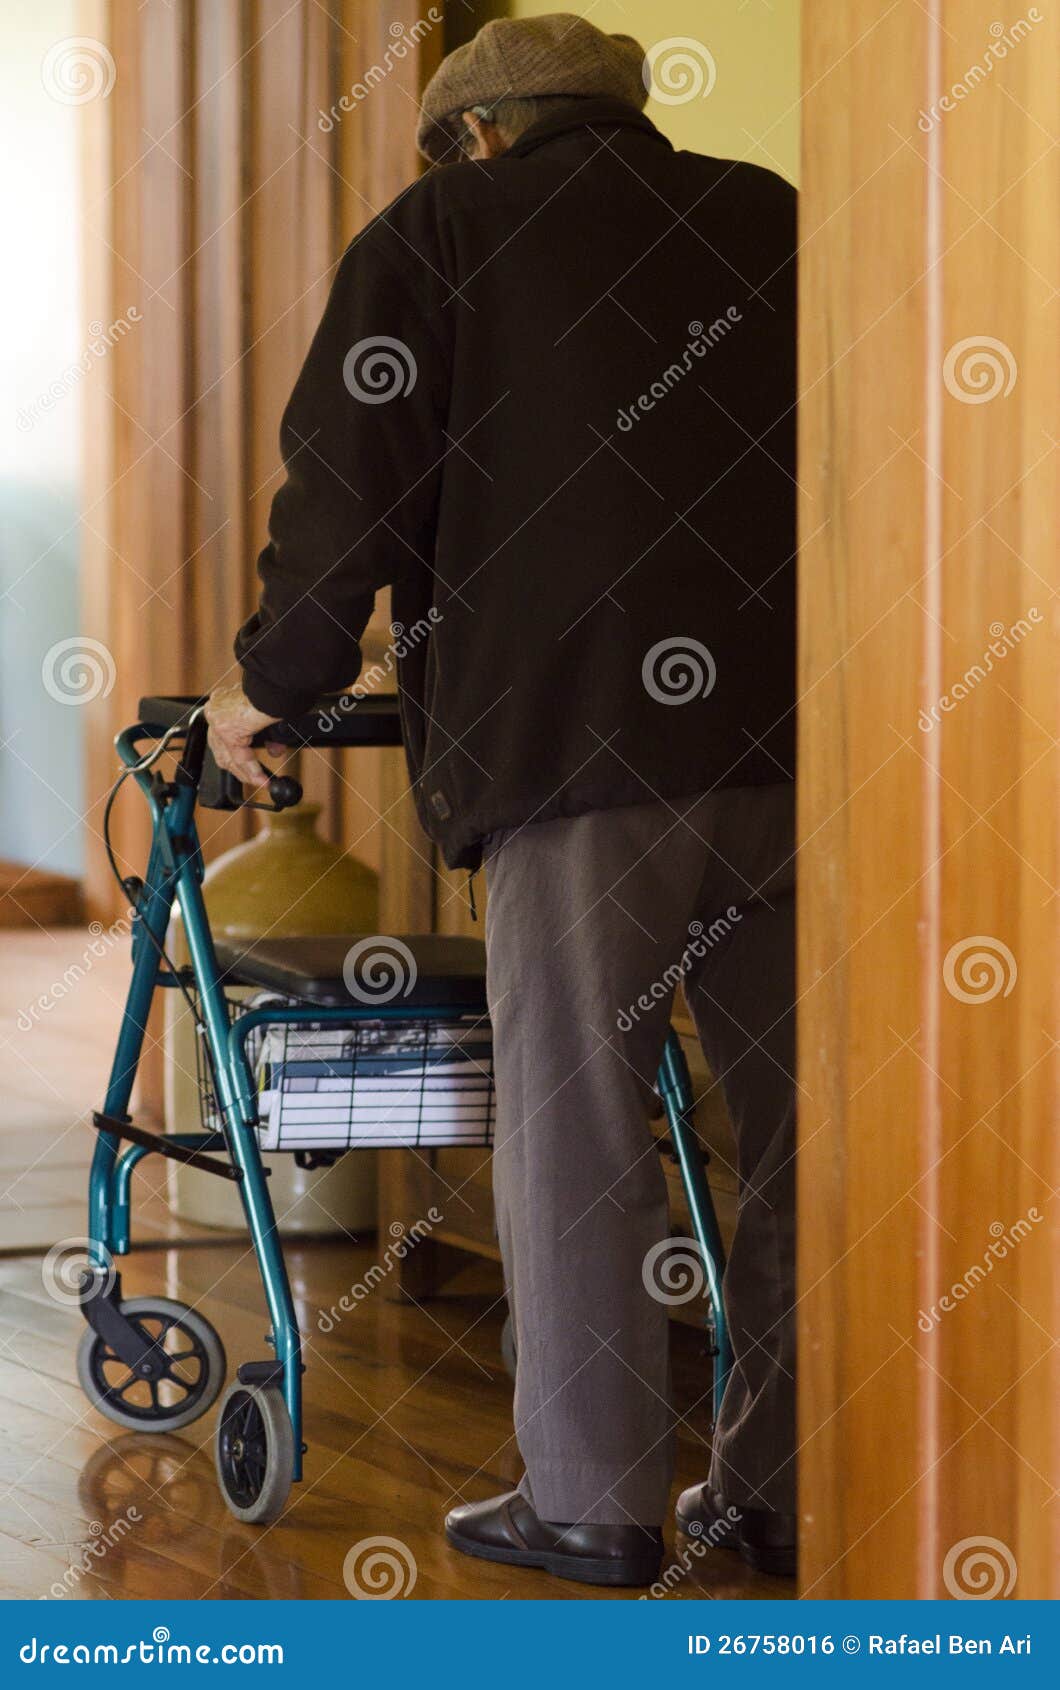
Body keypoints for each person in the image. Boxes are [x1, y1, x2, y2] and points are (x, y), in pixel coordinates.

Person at [206, 12, 797, 1588]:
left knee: (579, 1115)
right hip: (820, 739)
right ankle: (789, 1484)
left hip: (580, 739)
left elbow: (349, 489)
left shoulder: (444, 230)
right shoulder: (774, 215)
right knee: (821, 1127)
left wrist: (268, 687)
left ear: (478, 133)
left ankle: (591, 1499)